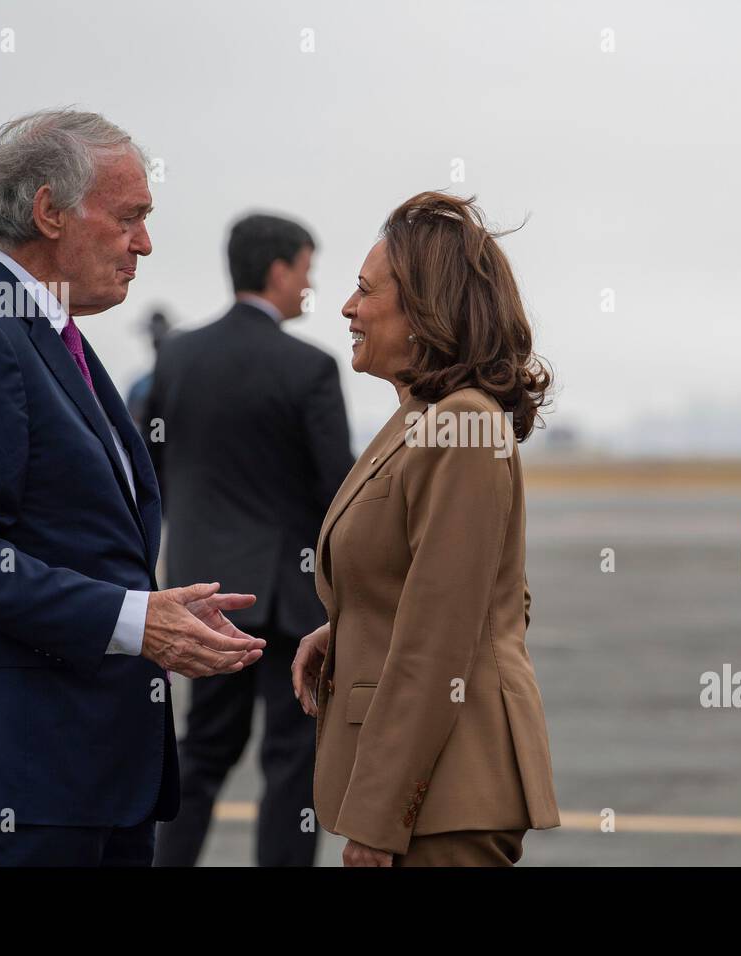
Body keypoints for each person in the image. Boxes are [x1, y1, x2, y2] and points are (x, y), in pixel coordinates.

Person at [0, 109, 265, 867]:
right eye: (129, 218)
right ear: (50, 211)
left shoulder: (48, 333)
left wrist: (159, 611)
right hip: (15, 780)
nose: (145, 244)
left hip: (84, 778)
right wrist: (131, 620)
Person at [291, 191, 561, 867]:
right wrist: (351, 626)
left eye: (363, 290)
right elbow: (456, 591)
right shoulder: (422, 418)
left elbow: (442, 637)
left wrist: (379, 821)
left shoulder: (459, 426)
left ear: (424, 308)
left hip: (450, 799)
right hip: (435, 790)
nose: (347, 309)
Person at [145, 213, 354, 866]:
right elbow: (338, 495)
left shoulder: (175, 357)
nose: (309, 288)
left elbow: (145, 471)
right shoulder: (310, 367)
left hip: (206, 598)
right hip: (290, 602)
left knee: (201, 754)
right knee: (292, 763)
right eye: (307, 272)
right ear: (278, 271)